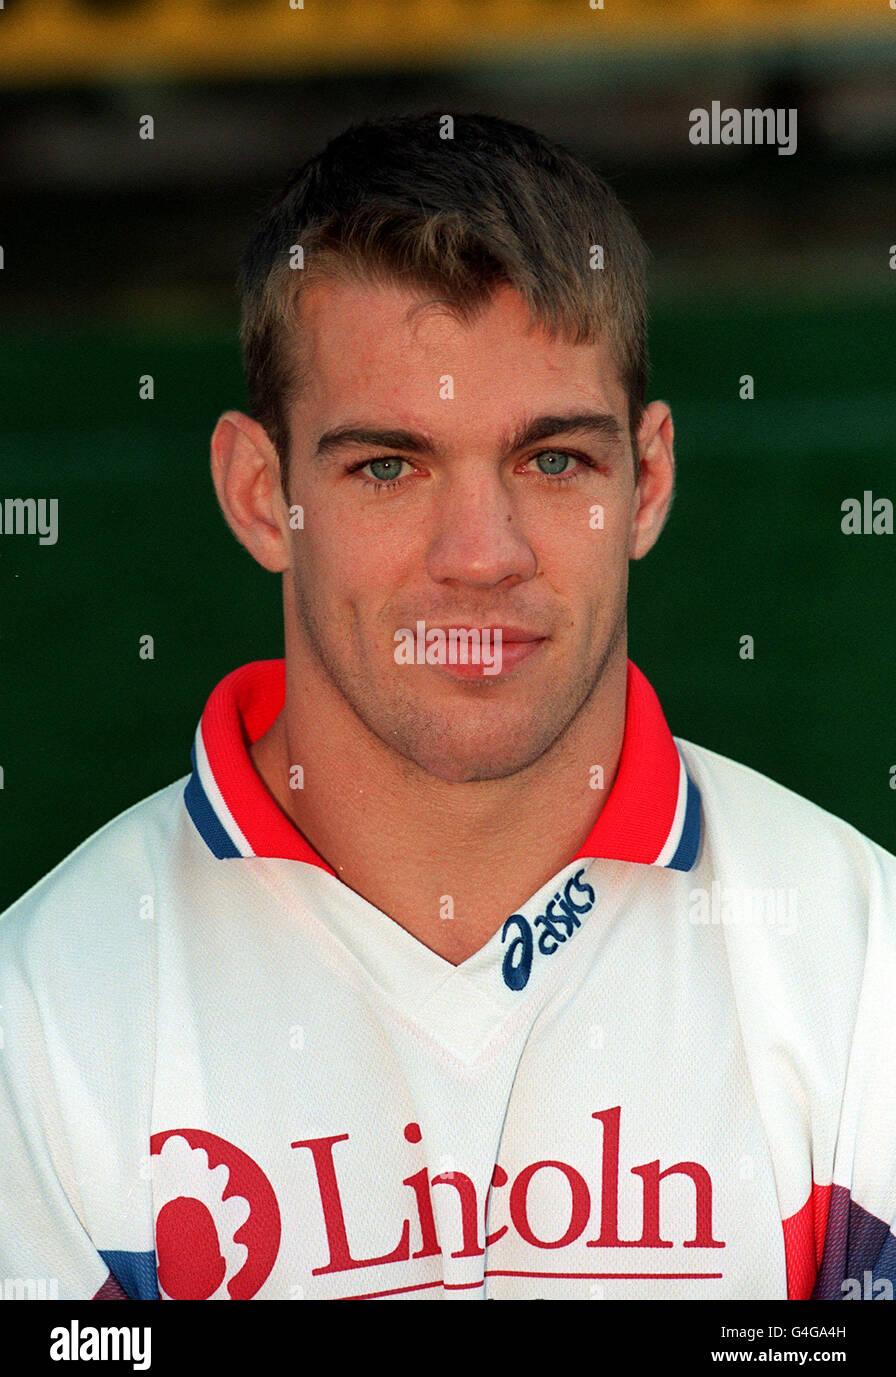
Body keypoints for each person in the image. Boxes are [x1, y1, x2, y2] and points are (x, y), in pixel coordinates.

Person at [1, 112, 894, 1303]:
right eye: (387, 466)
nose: (480, 556)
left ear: (649, 481)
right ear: (262, 497)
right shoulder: (41, 1020)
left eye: (552, 460)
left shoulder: (859, 971)